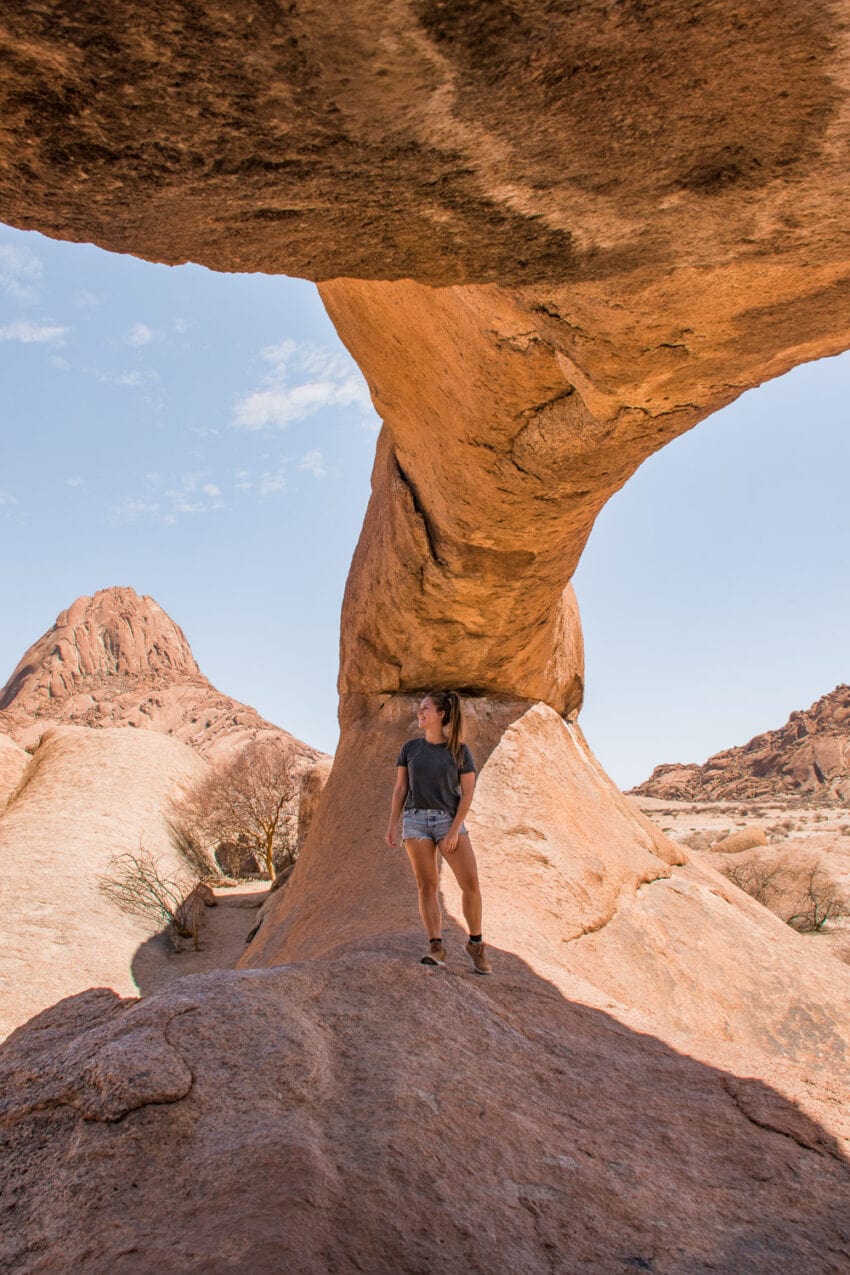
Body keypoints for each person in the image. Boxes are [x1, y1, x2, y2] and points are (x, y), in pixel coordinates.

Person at [385, 690, 491, 974]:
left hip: (448, 821)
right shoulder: (410, 749)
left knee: (470, 883)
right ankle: (436, 947)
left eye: (425, 708)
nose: (419, 712)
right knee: (426, 885)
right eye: (419, 708)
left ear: (441, 714)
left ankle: (476, 943)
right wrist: (393, 824)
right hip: (416, 821)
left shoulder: (459, 750)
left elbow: (467, 793)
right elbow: (400, 789)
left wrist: (455, 830)